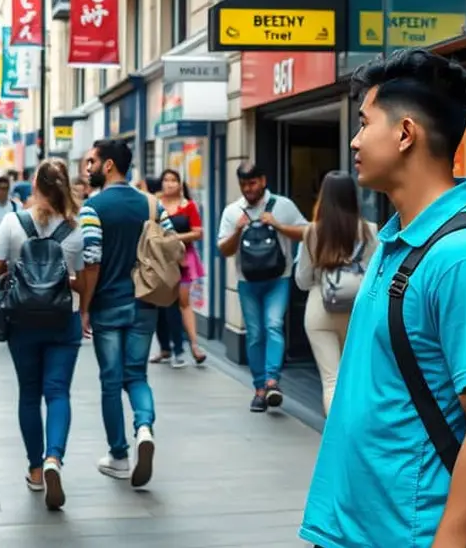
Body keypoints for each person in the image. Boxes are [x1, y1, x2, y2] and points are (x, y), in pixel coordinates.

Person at [300, 49, 466, 547]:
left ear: (405, 134)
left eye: (365, 123)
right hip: (353, 529)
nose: (355, 140)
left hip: (409, 534)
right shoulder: (398, 241)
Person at [0, 160, 85, 509]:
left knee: (29, 394)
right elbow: (82, 280)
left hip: (22, 320)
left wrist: (17, 266)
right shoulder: (74, 229)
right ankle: (54, 457)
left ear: (35, 185)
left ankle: (36, 470)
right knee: (57, 392)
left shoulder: (14, 222)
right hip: (64, 319)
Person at [78, 139, 174, 487]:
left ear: (108, 166)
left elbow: (91, 261)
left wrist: (84, 307)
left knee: (110, 380)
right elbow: (171, 246)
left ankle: (118, 456)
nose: (88, 168)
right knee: (136, 376)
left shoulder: (92, 208)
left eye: (92, 162)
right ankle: (144, 428)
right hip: (145, 303)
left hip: (107, 305)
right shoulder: (152, 204)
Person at [217, 161, 308, 412]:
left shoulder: (283, 205)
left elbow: (306, 232)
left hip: (279, 279)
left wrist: (278, 224)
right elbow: (223, 250)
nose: (248, 188)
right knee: (255, 333)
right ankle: (259, 389)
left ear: (263, 181)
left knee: (273, 325)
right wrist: (237, 231)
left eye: (253, 183)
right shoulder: (232, 211)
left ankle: (271, 381)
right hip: (247, 282)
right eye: (244, 184)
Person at [294, 171, 375, 417]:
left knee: (331, 380)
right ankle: (356, 431)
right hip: (357, 311)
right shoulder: (371, 230)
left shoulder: (312, 232)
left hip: (320, 309)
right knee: (354, 379)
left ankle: (336, 435)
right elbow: (375, 276)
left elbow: (302, 280)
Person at [157, 168, 206, 366]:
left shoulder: (189, 206)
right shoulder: (156, 204)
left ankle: (192, 345)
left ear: (180, 183)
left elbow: (198, 232)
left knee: (183, 302)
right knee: (162, 305)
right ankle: (165, 349)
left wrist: (175, 238)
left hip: (184, 260)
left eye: (173, 180)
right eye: (166, 180)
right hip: (161, 261)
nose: (169, 184)